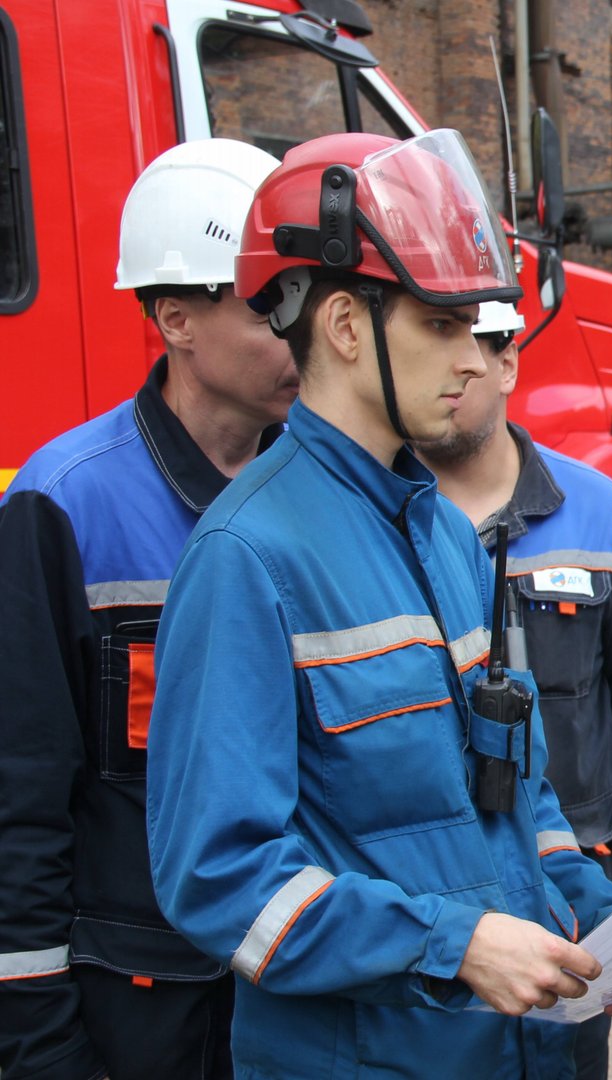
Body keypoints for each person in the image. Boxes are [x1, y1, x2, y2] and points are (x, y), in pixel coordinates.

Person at [143, 129, 612, 1078]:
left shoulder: (441, 531)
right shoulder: (247, 559)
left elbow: (517, 798)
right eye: (442, 326)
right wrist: (453, 946)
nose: (476, 359)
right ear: (346, 326)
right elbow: (219, 879)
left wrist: (595, 913)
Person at [0, 138, 290, 1080]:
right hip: (136, 1014)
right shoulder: (65, 506)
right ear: (175, 318)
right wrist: (39, 1040)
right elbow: (21, 802)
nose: (300, 334)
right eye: (268, 307)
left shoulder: (330, 492)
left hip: (300, 998)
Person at [414, 299, 612, 1080]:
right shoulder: (382, 524)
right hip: (436, 887)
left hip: (573, 875)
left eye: (470, 344)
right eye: (429, 339)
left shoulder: (604, 514)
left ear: (508, 362)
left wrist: (581, 805)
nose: (451, 369)